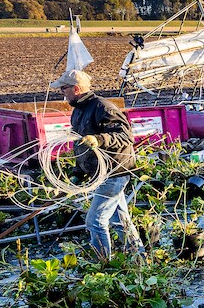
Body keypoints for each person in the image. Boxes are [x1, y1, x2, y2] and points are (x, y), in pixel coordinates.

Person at [50, 69, 144, 261]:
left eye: (64, 88)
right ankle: (139, 257)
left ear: (76, 89)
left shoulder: (103, 107)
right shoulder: (78, 111)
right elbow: (81, 146)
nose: (62, 92)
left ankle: (102, 265)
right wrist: (77, 173)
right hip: (101, 173)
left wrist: (98, 139)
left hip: (115, 171)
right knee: (120, 221)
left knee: (95, 221)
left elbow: (126, 136)